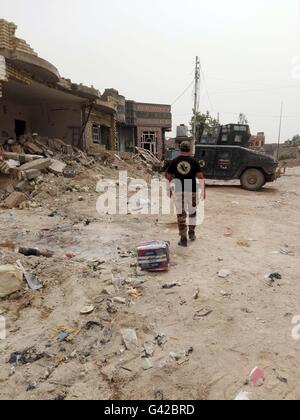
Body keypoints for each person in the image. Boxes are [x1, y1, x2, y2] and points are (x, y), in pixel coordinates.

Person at [166, 141, 206, 247]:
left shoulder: (174, 161)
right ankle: (191, 233)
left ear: (180, 148)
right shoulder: (193, 161)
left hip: (179, 189)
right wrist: (204, 191)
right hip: (191, 189)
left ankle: (183, 239)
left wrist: (169, 189)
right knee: (192, 213)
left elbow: (169, 177)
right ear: (189, 149)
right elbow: (201, 177)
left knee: (181, 215)